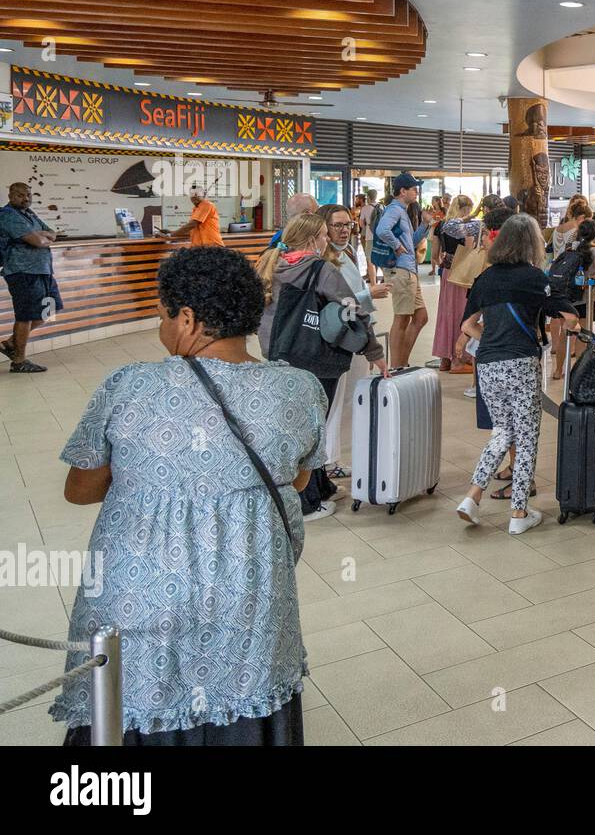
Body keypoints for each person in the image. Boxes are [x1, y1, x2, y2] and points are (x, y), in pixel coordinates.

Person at [54, 245, 326, 745]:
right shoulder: (300, 388)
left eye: (161, 315)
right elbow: (302, 480)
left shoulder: (129, 386)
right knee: (241, 700)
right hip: (250, 593)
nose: (160, 328)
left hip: (140, 601)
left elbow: (80, 488)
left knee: (131, 699)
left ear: (186, 317)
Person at [454, 215, 580, 534]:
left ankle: (472, 496)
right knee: (525, 437)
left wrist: (492, 338)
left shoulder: (485, 279)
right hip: (521, 363)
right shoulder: (535, 278)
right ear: (532, 244)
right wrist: (569, 325)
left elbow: (467, 325)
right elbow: (568, 315)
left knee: (502, 431)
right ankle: (519, 514)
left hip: (488, 364)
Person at [258, 213, 387, 519]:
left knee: (299, 422)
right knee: (316, 425)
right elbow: (352, 310)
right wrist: (374, 351)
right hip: (316, 356)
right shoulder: (320, 269)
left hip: (281, 353)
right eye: (323, 235)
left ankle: (319, 485)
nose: (328, 239)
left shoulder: (274, 263)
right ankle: (306, 499)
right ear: (313, 238)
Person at [318, 204, 390, 478]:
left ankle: (333, 459)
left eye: (348, 224)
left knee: (348, 401)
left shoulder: (345, 254)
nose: (344, 229)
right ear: (324, 228)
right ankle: (326, 461)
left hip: (358, 335)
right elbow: (336, 309)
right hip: (341, 340)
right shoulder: (325, 262)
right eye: (337, 225)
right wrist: (368, 295)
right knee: (334, 403)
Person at [0, 181, 62, 373]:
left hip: (43, 270)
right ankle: (19, 361)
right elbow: (38, 241)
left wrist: (43, 234)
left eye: (28, 195)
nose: (25, 198)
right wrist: (41, 236)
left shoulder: (30, 214)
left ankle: (11, 343)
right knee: (25, 315)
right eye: (20, 195)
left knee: (51, 308)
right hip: (22, 272)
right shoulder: (7, 215)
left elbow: (53, 234)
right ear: (10, 195)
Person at [373, 172, 433, 368]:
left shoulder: (402, 211)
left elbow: (412, 242)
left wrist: (424, 225)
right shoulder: (395, 210)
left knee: (420, 317)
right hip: (402, 271)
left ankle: (401, 362)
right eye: (414, 189)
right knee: (402, 319)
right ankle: (397, 367)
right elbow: (382, 230)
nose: (417, 192)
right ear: (402, 191)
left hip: (408, 270)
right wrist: (397, 246)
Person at [547, 218, 595, 379]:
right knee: (582, 334)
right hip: (582, 298)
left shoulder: (570, 248)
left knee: (564, 334)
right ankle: (578, 372)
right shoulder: (594, 251)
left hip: (564, 296)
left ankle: (558, 370)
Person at [431, 194, 481, 372]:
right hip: (461, 275)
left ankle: (445, 358)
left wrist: (443, 260)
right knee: (462, 313)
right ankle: (458, 361)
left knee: (446, 314)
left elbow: (434, 255)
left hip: (446, 272)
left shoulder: (441, 225)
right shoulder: (465, 228)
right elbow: (469, 250)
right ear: (466, 208)